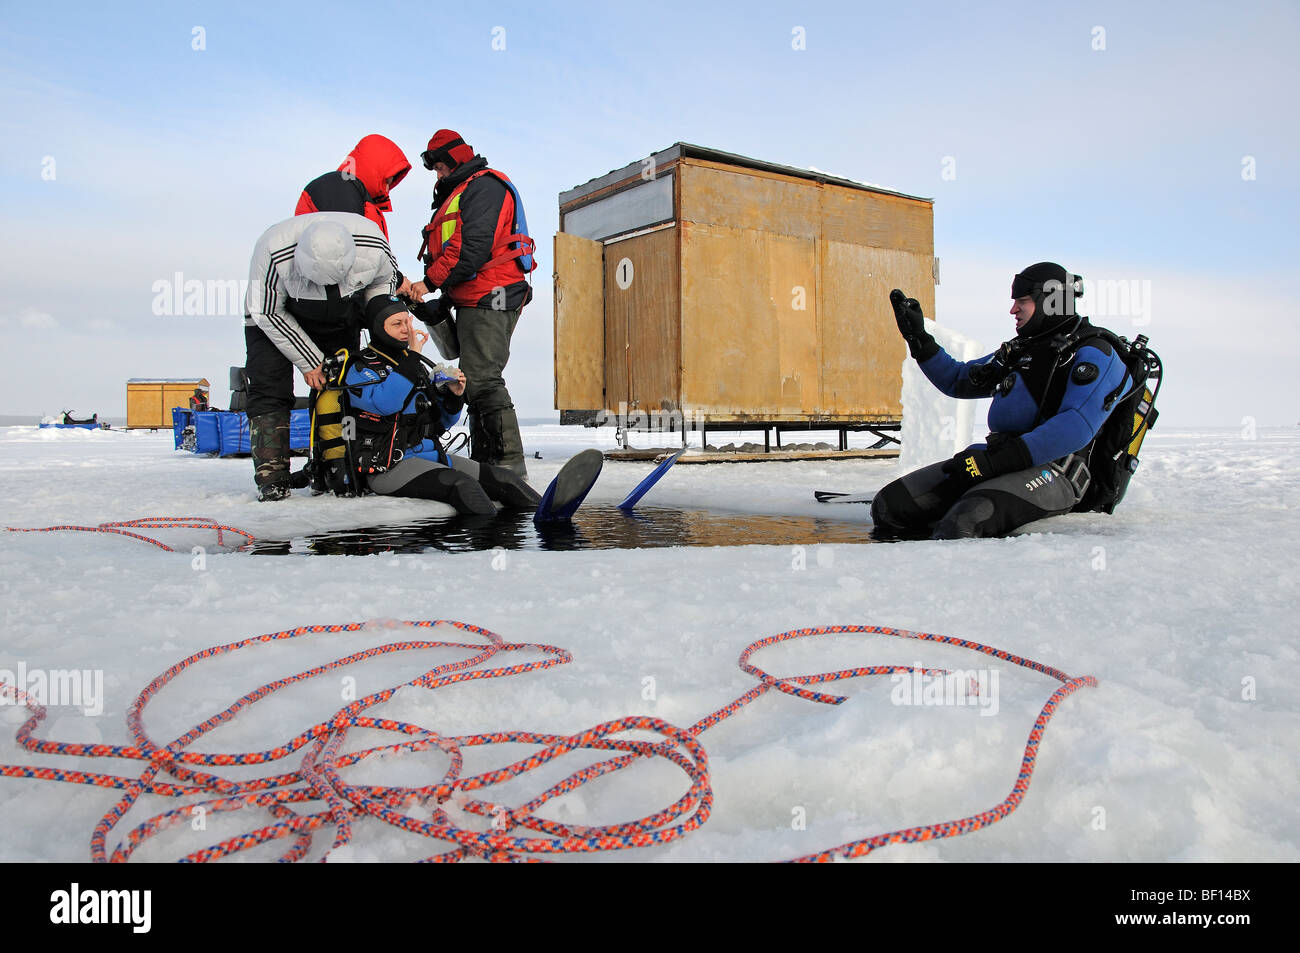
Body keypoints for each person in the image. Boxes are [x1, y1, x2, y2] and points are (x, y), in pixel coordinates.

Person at [872, 262, 1130, 539]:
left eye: (1022, 301)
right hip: (1002, 460)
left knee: (967, 520)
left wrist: (992, 463)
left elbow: (1074, 427)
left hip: (1056, 472)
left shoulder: (1095, 352)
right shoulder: (1021, 351)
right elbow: (958, 379)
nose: (1013, 309)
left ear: (1051, 301)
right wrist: (919, 338)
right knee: (890, 507)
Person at [242, 212, 399, 501]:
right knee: (269, 388)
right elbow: (267, 312)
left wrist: (383, 329)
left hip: (342, 311)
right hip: (272, 315)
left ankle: (332, 467)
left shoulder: (373, 244)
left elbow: (382, 287)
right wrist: (310, 360)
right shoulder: (272, 250)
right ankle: (272, 477)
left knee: (341, 384)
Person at [407, 129, 536, 477]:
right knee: (473, 381)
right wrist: (445, 300)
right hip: (472, 295)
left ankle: (509, 466)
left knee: (483, 378)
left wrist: (429, 283)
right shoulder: (463, 192)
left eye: (440, 167)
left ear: (454, 159)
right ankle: (486, 465)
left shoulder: (485, 187)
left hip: (493, 295)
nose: (438, 175)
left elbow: (473, 248)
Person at [338, 296, 541, 514]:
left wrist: (454, 397)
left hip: (431, 457)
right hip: (389, 466)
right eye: (397, 324)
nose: (407, 329)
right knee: (463, 486)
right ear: (378, 327)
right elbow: (386, 403)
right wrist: (413, 355)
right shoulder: (360, 368)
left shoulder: (413, 365)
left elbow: (441, 422)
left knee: (504, 479)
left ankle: (550, 522)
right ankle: (485, 545)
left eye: (408, 322)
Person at [295, 134, 415, 296]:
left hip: (345, 294)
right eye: (387, 181)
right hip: (330, 296)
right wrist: (397, 279)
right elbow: (356, 248)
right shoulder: (339, 186)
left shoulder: (358, 198)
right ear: (374, 168)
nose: (387, 190)